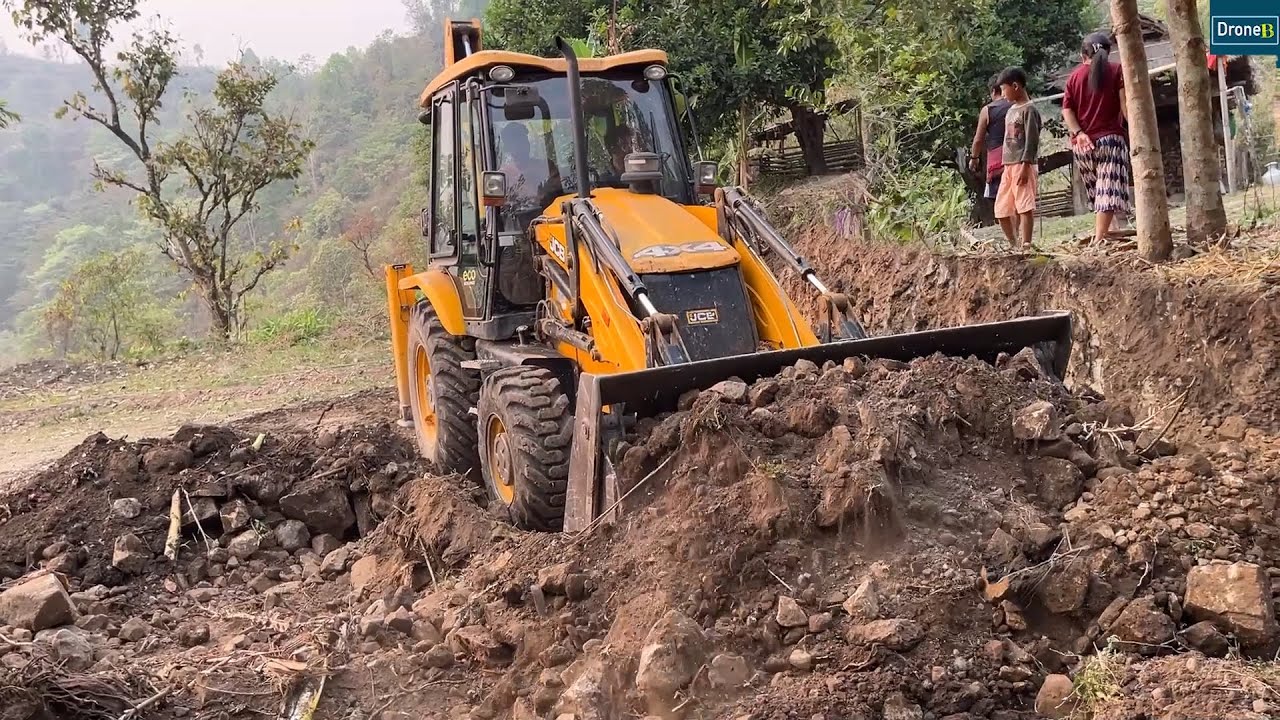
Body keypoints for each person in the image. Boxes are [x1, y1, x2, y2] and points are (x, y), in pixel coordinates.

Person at [1062, 31, 1129, 244]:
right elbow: (1126, 105)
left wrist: (1079, 133)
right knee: (1107, 194)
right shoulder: (1117, 71)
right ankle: (1098, 241)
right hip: (1111, 141)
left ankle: (1109, 234)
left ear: (1083, 56)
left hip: (1083, 147)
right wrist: (1136, 132)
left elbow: (1067, 111)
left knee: (1098, 193)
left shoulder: (1073, 77)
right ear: (1108, 53)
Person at [993, 67, 1041, 249]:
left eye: (1004, 89)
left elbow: (1031, 141)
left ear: (1015, 86)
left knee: (1024, 206)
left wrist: (1025, 165)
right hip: (1009, 165)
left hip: (1023, 164)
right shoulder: (1011, 110)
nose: (1003, 94)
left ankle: (1026, 243)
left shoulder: (1029, 110)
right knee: (1002, 209)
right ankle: (1014, 244)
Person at [969, 74, 1011, 211]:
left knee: (1000, 200)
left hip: (997, 162)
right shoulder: (1016, 105)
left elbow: (978, 139)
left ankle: (1010, 230)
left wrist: (974, 158)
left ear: (993, 91)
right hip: (1017, 157)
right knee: (1014, 197)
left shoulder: (988, 110)